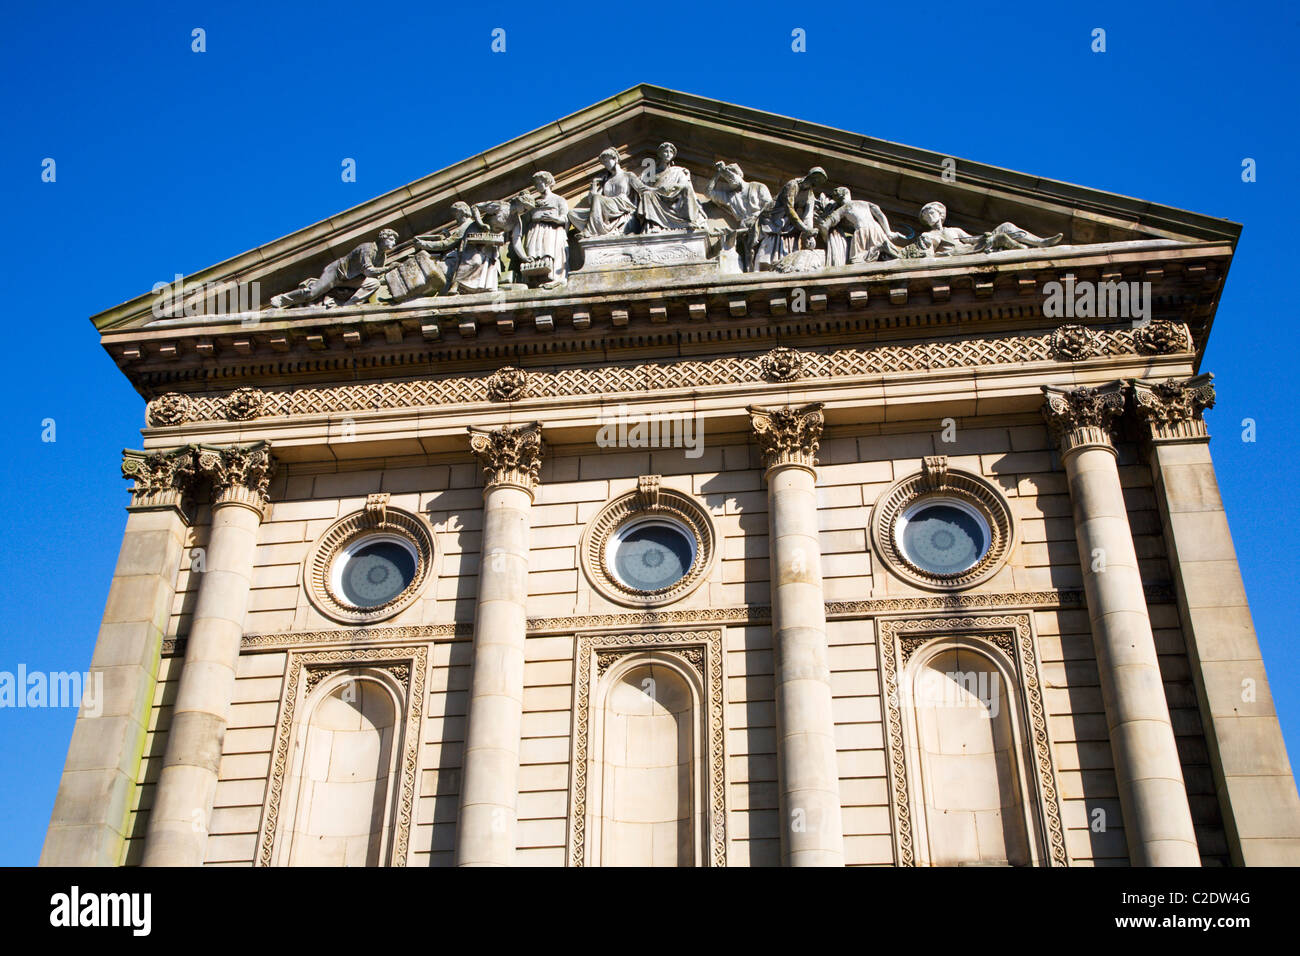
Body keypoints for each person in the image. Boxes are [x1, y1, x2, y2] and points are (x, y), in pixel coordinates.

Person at [271, 229, 398, 307]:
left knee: (374, 284)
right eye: (391, 239)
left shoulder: (382, 256)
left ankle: (348, 307)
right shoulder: (368, 248)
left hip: (352, 278)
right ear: (383, 238)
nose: (393, 243)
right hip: (336, 273)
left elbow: (376, 276)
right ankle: (282, 299)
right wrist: (388, 269)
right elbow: (369, 270)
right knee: (312, 293)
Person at [909, 201, 1062, 257]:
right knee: (1002, 238)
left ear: (940, 214)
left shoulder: (953, 230)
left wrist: (984, 236)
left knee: (1006, 226)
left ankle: (1041, 243)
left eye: (931, 213)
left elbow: (970, 239)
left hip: (973, 247)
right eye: (926, 216)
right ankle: (1025, 251)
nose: (930, 217)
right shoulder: (928, 235)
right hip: (961, 253)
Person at [752, 167, 828, 270]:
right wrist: (805, 229)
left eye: (819, 181)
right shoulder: (793, 185)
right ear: (810, 176)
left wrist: (809, 235)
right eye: (816, 179)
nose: (816, 182)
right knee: (771, 243)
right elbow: (789, 208)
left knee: (788, 247)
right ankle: (764, 266)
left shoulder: (810, 195)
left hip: (790, 227)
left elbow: (808, 216)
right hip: (773, 221)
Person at [818, 187, 909, 265]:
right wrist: (888, 232)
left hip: (862, 230)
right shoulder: (864, 203)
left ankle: (879, 247)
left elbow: (825, 225)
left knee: (855, 260)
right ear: (848, 194)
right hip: (877, 229)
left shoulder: (844, 208)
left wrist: (826, 240)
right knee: (883, 258)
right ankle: (882, 248)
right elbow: (880, 215)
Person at [514, 171, 570, 288]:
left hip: (552, 231)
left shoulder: (558, 200)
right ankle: (535, 277)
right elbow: (523, 222)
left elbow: (565, 218)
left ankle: (554, 276)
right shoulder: (533, 203)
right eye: (536, 185)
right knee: (535, 252)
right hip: (535, 232)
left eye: (540, 183)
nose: (538, 187)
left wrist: (553, 218)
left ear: (547, 182)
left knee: (549, 251)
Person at [636, 142, 706, 232]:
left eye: (671, 152)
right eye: (665, 151)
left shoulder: (678, 171)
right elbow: (643, 188)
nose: (668, 154)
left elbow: (684, 185)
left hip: (674, 197)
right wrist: (657, 189)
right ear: (660, 154)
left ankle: (686, 221)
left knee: (687, 189)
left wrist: (673, 186)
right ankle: (655, 224)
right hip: (656, 197)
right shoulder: (651, 173)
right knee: (647, 194)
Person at [569, 148, 639, 237]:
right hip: (607, 207)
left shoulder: (628, 175)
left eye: (606, 161)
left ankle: (590, 231)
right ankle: (597, 227)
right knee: (572, 213)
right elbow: (592, 202)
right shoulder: (605, 180)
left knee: (598, 198)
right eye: (603, 163)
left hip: (622, 205)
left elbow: (643, 190)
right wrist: (594, 185)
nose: (605, 165)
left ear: (615, 159)